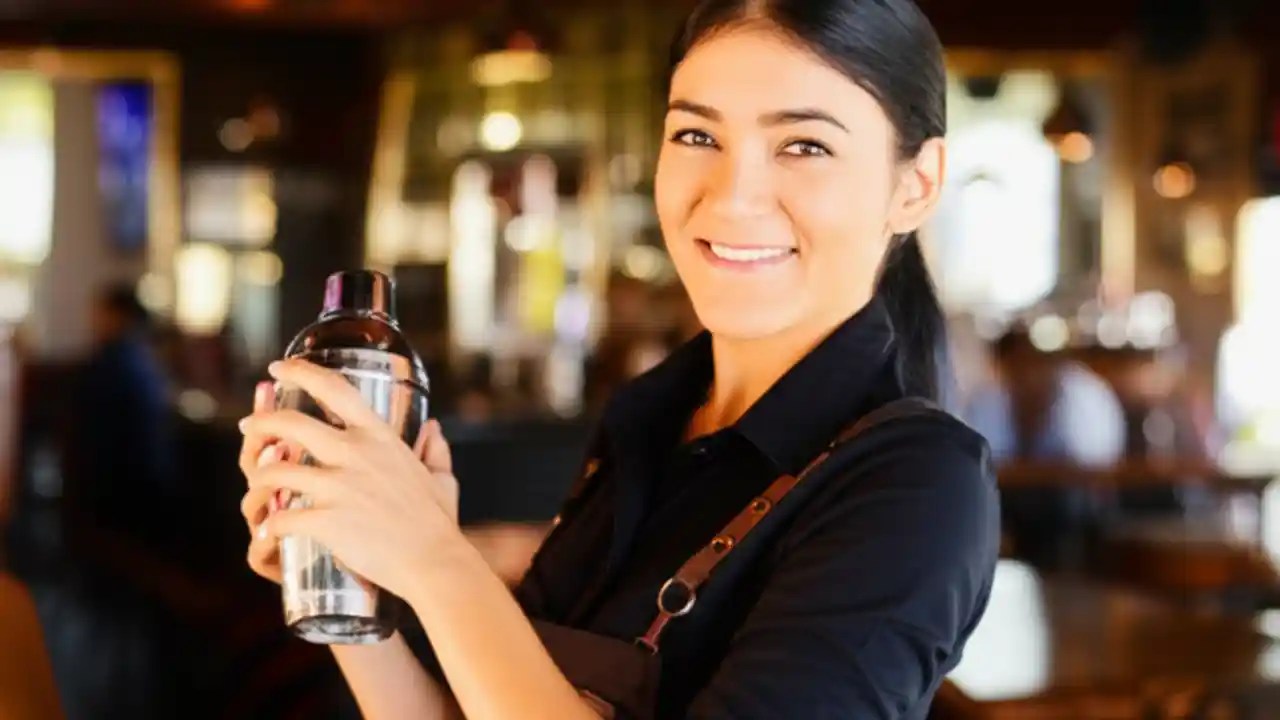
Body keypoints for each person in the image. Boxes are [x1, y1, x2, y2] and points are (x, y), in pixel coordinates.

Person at [238, 0, 1000, 717]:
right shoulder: (648, 422)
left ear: (916, 184)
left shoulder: (921, 484)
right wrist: (358, 586)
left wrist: (437, 560)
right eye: (698, 136)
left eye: (804, 145)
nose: (732, 197)